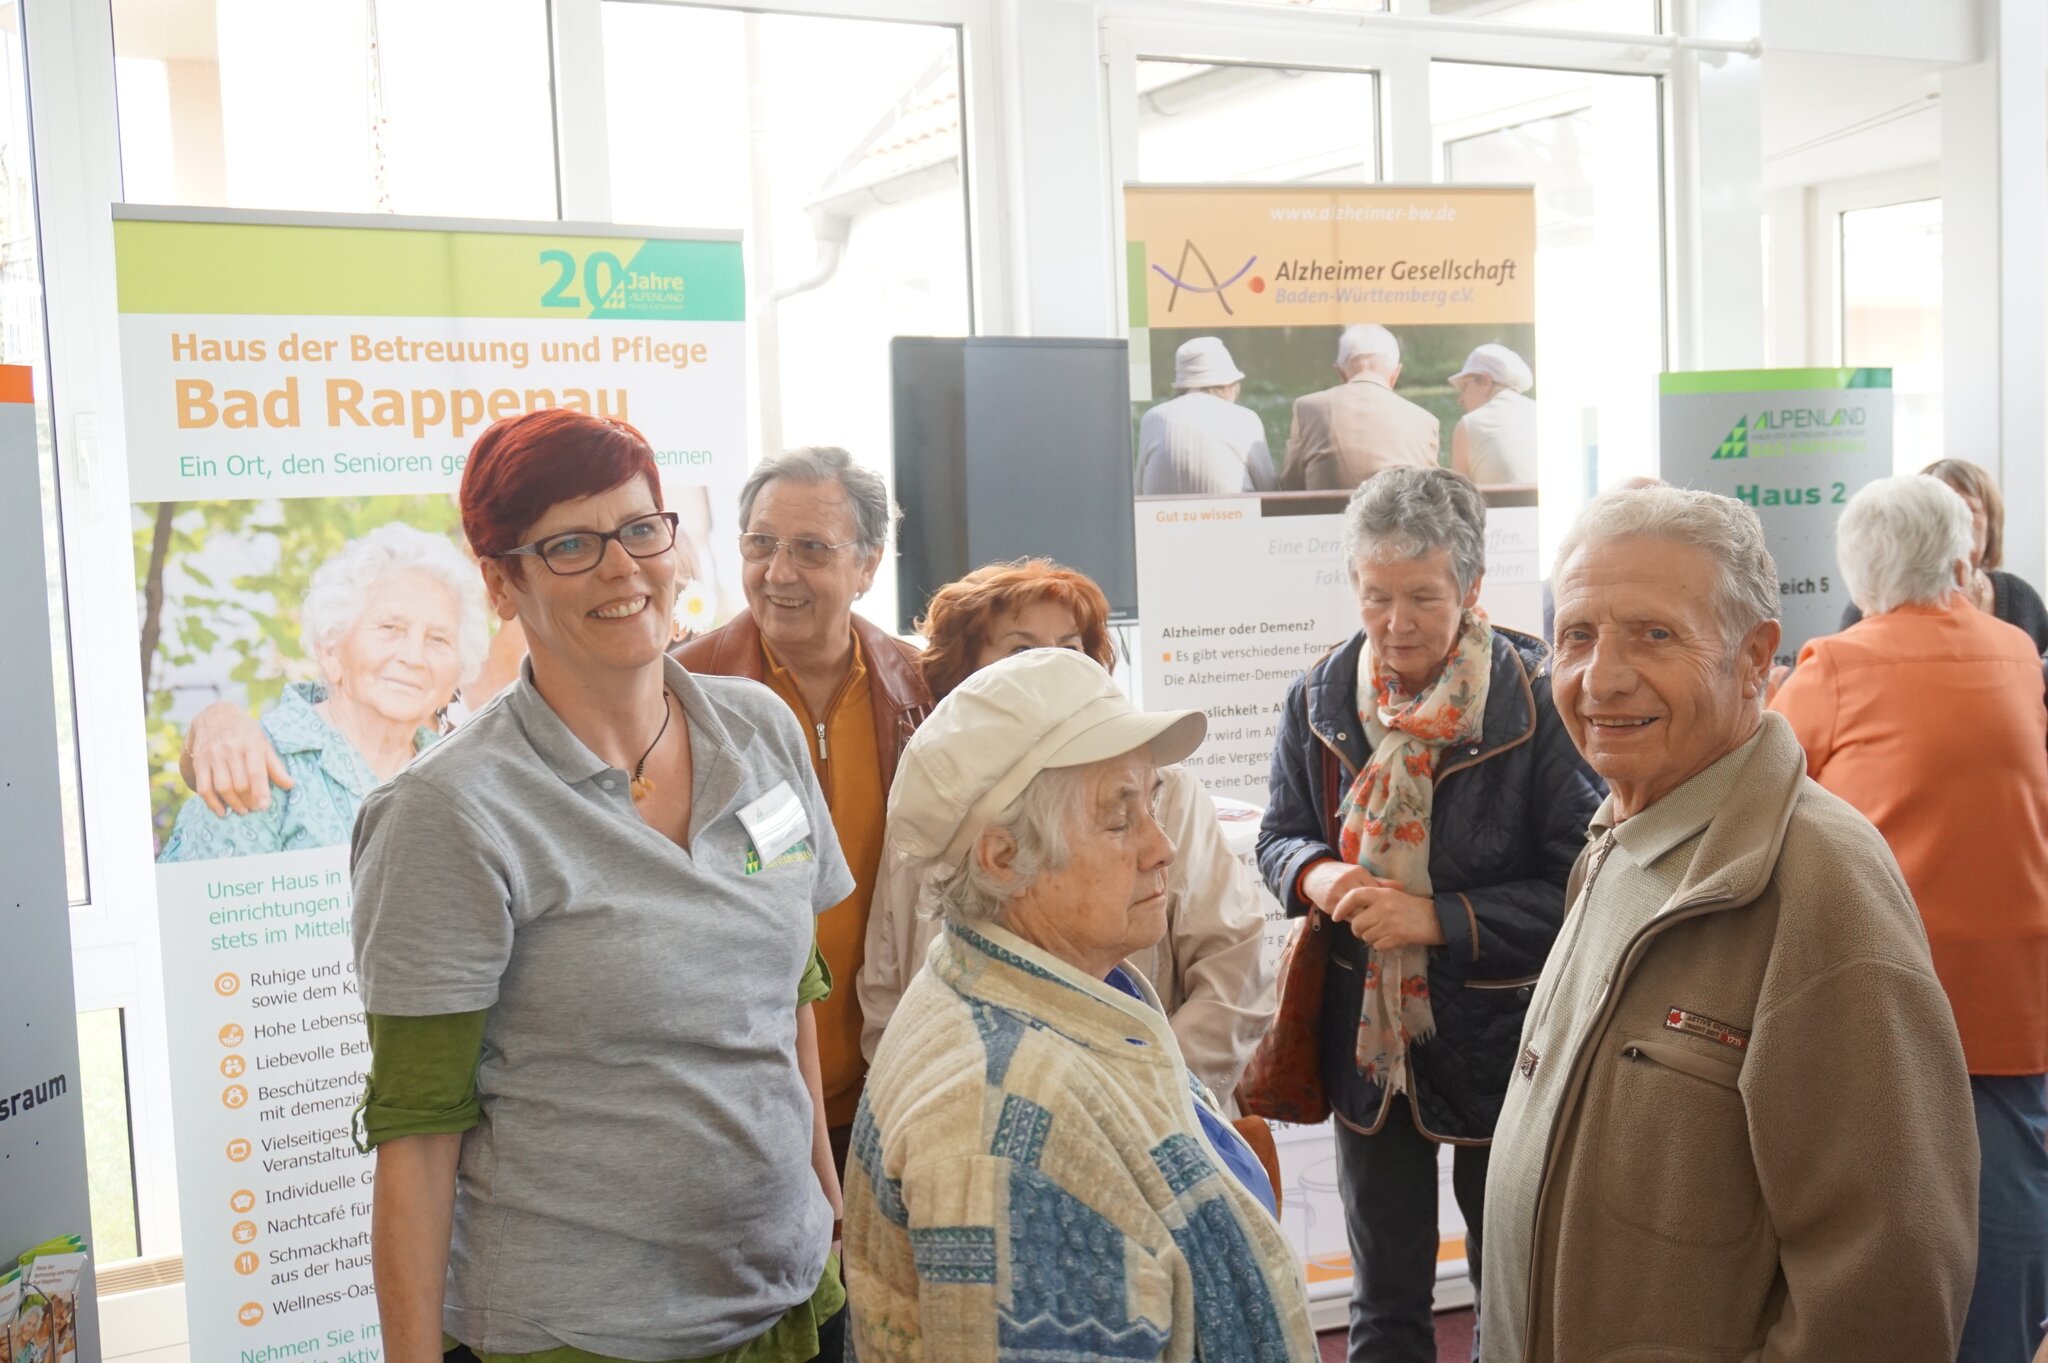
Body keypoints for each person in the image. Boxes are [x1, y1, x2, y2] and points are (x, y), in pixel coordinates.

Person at [351, 409, 849, 1363]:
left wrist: (824, 1200)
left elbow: (791, 991)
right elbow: (416, 1136)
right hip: (576, 1337)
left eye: (640, 528)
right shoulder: (449, 812)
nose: (623, 569)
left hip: (794, 1306)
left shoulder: (762, 733)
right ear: (502, 583)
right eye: (571, 545)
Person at [1481, 484, 1978, 1363]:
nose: (1601, 677)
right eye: (1578, 635)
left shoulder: (1823, 888)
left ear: (1755, 658)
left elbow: (1891, 1285)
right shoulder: (1622, 834)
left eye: (1654, 633)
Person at [844, 648, 1317, 1363]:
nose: (1162, 847)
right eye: (1118, 818)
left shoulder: (1037, 983)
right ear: (1004, 859)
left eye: (1150, 800)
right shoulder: (1006, 1140)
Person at [1257, 467, 1599, 1363]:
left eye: (1422, 597)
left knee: (1511, 1286)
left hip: (1502, 1037)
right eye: (1376, 595)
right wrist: (1322, 879)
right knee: (1386, 1298)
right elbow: (1279, 839)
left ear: (1473, 588)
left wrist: (1435, 917)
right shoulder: (1323, 696)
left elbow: (1585, 881)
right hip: (1372, 1047)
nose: (1396, 622)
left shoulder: (1537, 700)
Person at [1772, 474, 2048, 1363]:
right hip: (2017, 997)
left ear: (1856, 568)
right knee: (2008, 1226)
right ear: (1962, 557)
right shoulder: (2014, 649)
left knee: (1886, 1225)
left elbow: (1763, 789)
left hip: (1892, 993)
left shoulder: (1839, 665)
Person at [855, 557, 1276, 1107]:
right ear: (965, 675)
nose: (1051, 663)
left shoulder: (1171, 790)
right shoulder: (932, 810)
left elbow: (1234, 967)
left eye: (1070, 647)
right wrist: (925, 1092)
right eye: (1023, 650)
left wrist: (1142, 1092)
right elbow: (888, 985)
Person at [674, 446, 933, 1159]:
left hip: (898, 1089)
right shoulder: (679, 694)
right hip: (741, 1105)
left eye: (811, 549)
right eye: (761, 544)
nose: (778, 572)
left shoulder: (925, 693)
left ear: (869, 565)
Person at [158, 522, 487, 861]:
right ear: (331, 649)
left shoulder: (462, 780)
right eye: (390, 628)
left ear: (455, 675)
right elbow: (201, 911)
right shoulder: (257, 764)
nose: (414, 657)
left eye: (438, 639)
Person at [1840, 457, 2048, 649]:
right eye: (1938, 513)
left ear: (1991, 522)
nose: (1953, 523)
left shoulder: (2019, 596)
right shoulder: (1875, 598)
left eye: (1966, 508)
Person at [1280, 324, 1438, 491]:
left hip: (1327, 516)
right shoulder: (1425, 421)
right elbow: (1431, 492)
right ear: (1396, 373)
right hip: (1396, 516)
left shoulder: (1307, 408)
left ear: (1340, 372)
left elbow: (1290, 484)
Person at [1136, 335, 1276, 495]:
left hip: (1163, 518)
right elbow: (1269, 489)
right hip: (1233, 517)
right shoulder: (1245, 418)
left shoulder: (1152, 417)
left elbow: (1138, 489)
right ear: (1230, 385)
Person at [1447, 344, 1537, 487]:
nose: (1461, 399)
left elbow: (1458, 498)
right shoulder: (1540, 411)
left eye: (1464, 386)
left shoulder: (1469, 424)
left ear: (1485, 380)